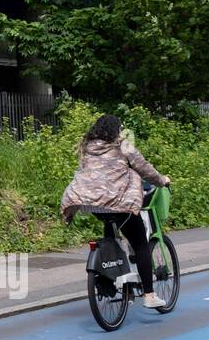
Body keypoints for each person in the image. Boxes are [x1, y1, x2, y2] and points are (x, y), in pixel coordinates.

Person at [61, 113, 172, 308]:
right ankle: (149, 295)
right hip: (117, 201)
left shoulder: (88, 146)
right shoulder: (123, 144)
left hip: (91, 203)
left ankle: (122, 281)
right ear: (116, 130)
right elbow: (143, 167)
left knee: (111, 228)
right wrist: (162, 180)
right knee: (140, 244)